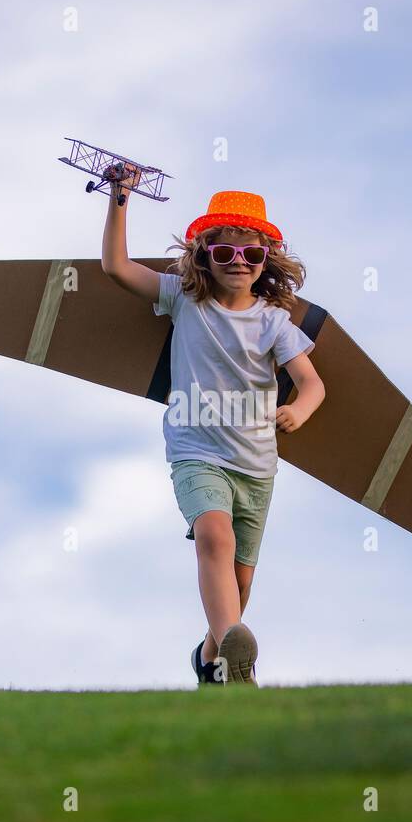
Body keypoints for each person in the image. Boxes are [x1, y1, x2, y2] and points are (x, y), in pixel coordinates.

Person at [100, 165, 325, 686]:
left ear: (266, 257)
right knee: (214, 541)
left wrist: (299, 410)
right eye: (224, 252)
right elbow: (115, 268)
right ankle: (233, 649)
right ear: (205, 255)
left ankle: (211, 657)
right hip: (196, 450)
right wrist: (119, 198)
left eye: (251, 253)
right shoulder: (184, 297)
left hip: (257, 465)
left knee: (239, 584)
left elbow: (312, 385)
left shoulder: (274, 321)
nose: (238, 263)